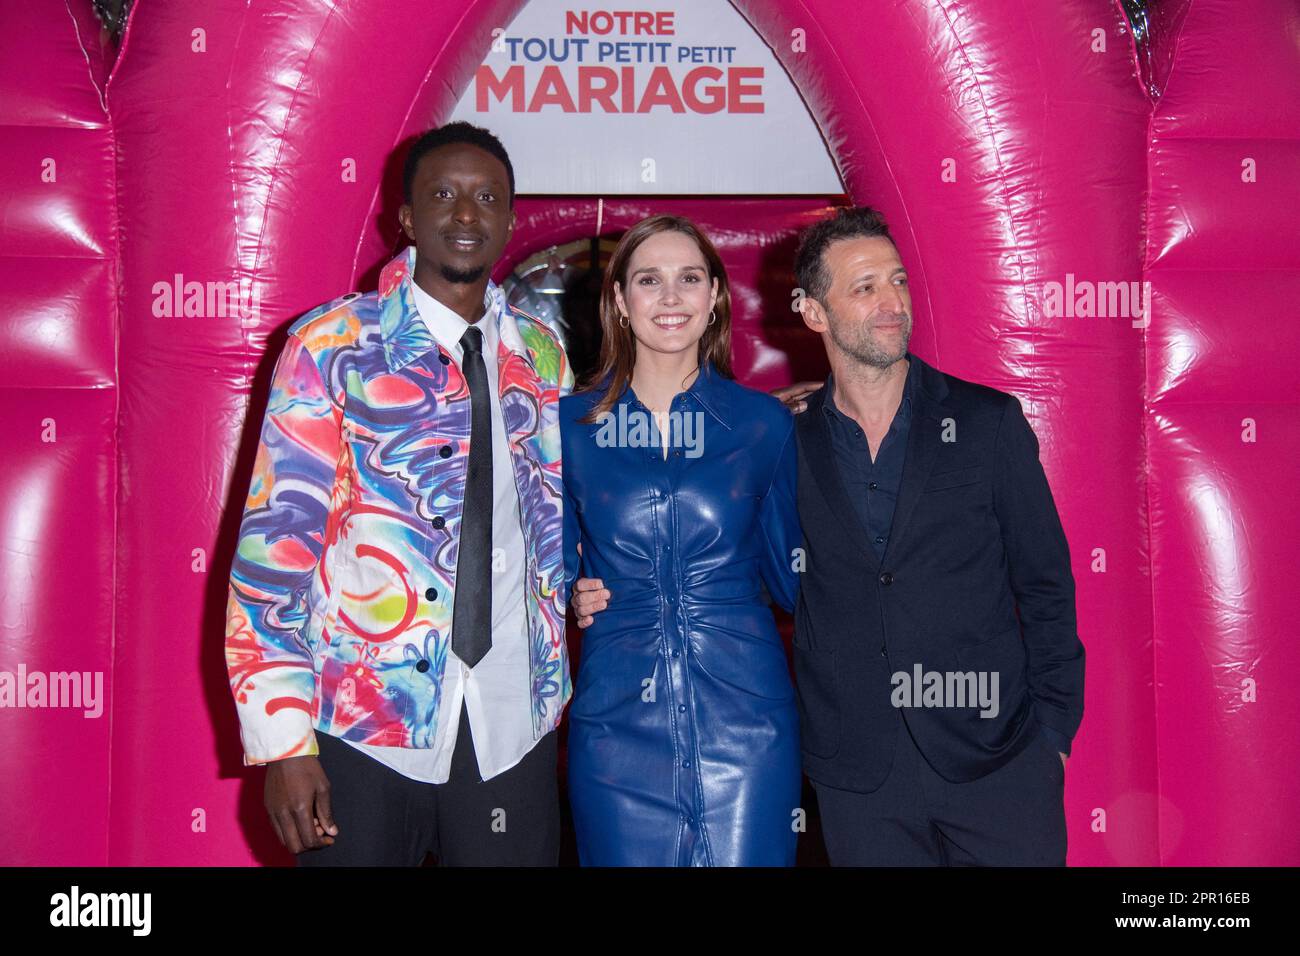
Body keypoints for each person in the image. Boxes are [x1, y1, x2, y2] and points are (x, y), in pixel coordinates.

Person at [575, 206, 1086, 866]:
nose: (890, 303)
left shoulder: (985, 423)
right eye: (864, 287)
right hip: (858, 779)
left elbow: (1046, 584)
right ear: (813, 311)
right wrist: (589, 577)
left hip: (997, 764)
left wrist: (1053, 736)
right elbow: (741, 558)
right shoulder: (790, 435)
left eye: (897, 281)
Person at [224, 121, 574, 866]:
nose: (468, 215)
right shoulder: (330, 347)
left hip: (513, 721)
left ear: (512, 221)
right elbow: (273, 551)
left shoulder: (540, 355)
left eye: (488, 198)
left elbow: (550, 518)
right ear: (407, 219)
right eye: (443, 194)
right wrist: (284, 740)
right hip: (362, 723)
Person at [561, 214, 802, 866]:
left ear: (715, 296)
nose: (671, 298)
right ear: (619, 300)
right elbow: (538, 566)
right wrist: (568, 590)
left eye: (689, 278)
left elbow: (799, 581)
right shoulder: (569, 429)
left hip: (748, 726)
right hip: (616, 729)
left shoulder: (763, 425)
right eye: (649, 280)